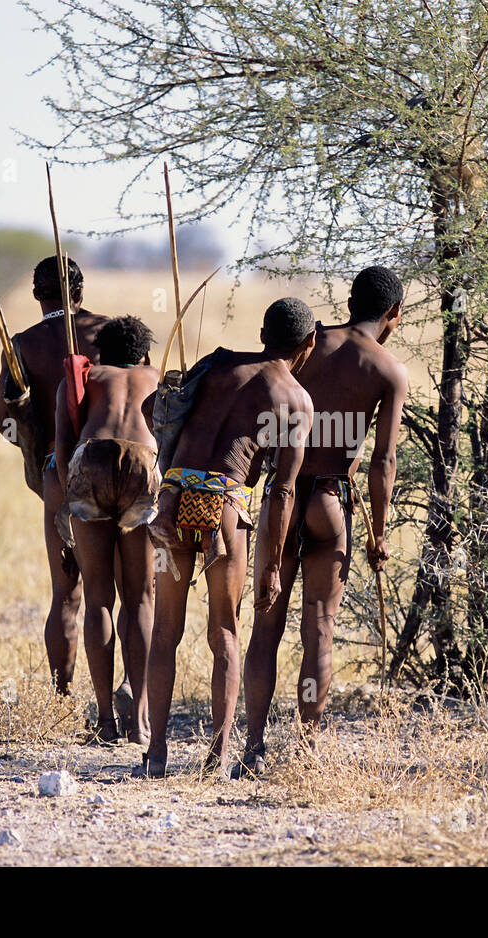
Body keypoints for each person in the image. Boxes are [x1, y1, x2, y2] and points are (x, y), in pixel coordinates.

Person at [235, 266, 408, 776]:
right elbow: (383, 462)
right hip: (331, 502)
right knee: (319, 630)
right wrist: (379, 532)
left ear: (351, 301)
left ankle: (252, 748)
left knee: (266, 626)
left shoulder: (306, 343)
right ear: (393, 315)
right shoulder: (388, 370)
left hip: (281, 499)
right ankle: (306, 752)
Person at [140, 298, 317, 777]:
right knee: (224, 633)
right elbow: (282, 490)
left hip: (172, 502)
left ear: (261, 333)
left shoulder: (217, 361)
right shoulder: (295, 399)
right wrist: (274, 565)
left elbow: (151, 406)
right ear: (309, 343)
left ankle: (154, 756)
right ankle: (216, 759)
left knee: (165, 633)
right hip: (224, 509)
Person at [0, 255, 111, 694]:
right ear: (80, 292)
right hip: (117, 469)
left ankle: (61, 698)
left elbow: (3, 420)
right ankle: (126, 705)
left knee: (68, 592)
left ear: (37, 296)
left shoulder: (20, 345)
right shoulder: (111, 332)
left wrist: (40, 450)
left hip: (56, 475)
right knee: (129, 592)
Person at [54, 316, 160, 744]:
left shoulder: (82, 376)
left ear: (101, 355)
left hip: (91, 458)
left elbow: (64, 445)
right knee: (139, 598)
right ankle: (140, 719)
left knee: (98, 596)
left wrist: (68, 504)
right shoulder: (160, 377)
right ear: (144, 355)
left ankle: (103, 720)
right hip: (143, 463)